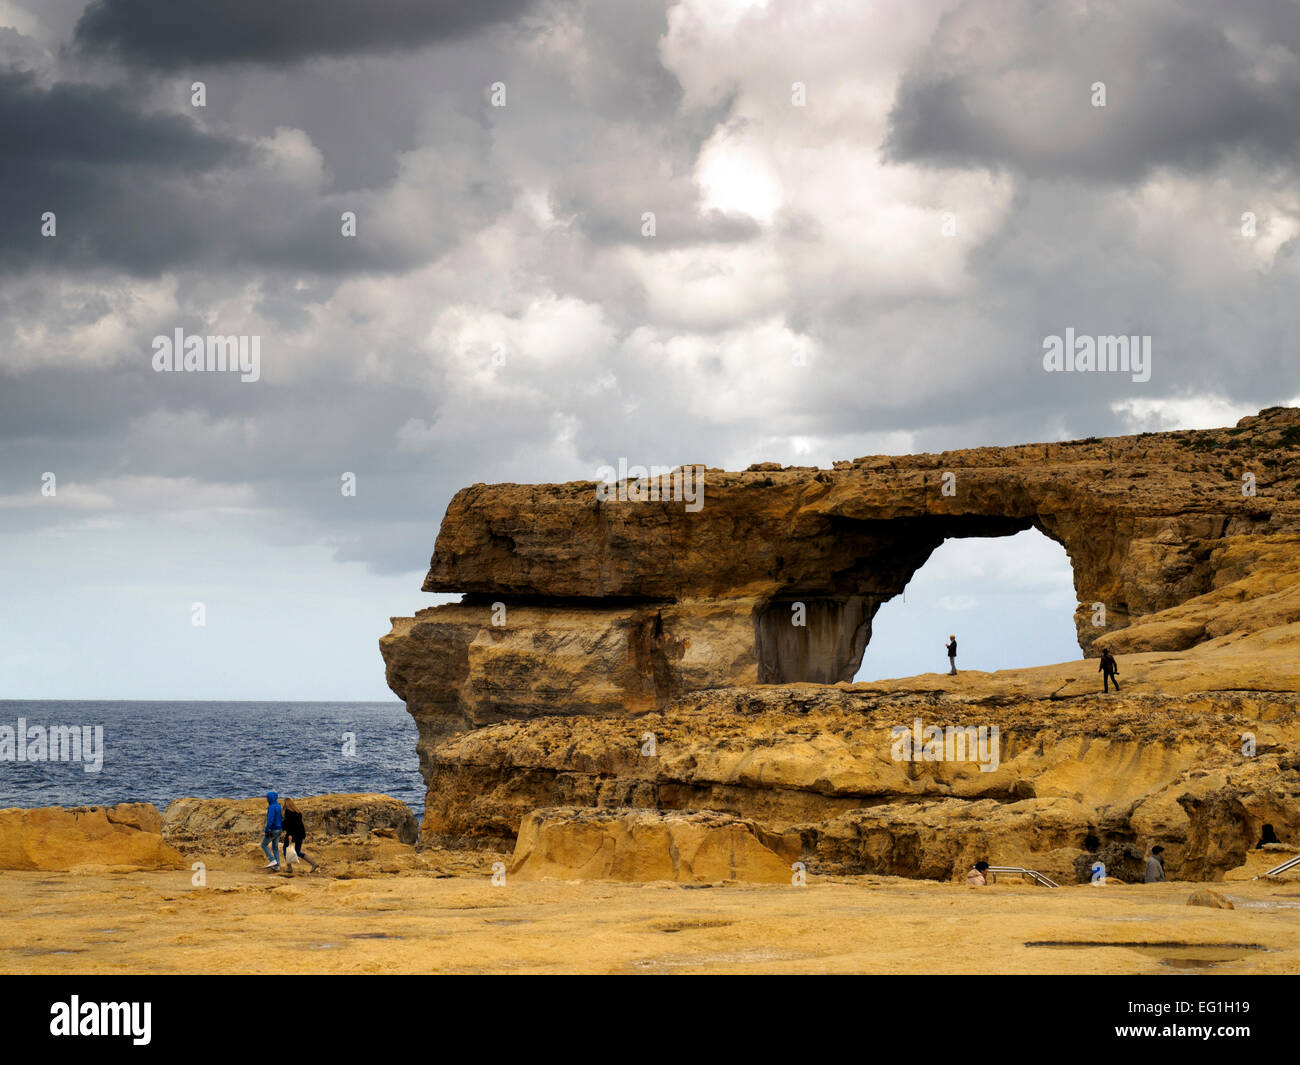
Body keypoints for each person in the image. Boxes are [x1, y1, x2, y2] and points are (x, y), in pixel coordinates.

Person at [281, 797, 319, 875]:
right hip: (300, 834)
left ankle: (289, 868)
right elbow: (299, 825)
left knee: (285, 849)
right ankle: (313, 864)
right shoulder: (298, 812)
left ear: (286, 804)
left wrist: (289, 834)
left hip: (292, 834)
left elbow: (289, 825)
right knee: (297, 851)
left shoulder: (288, 812)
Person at [261, 790, 283, 870]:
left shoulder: (272, 807)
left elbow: (270, 820)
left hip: (273, 829)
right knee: (275, 847)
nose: (266, 799)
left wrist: (266, 830)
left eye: (267, 797)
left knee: (263, 845)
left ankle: (272, 860)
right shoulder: (279, 806)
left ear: (270, 798)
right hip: (279, 829)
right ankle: (277, 866)